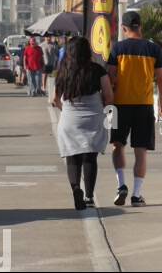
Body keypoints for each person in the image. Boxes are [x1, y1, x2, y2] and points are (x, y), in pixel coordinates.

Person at [107, 11, 162, 207]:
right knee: (141, 151)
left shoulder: (117, 48)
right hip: (144, 105)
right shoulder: (154, 49)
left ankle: (121, 185)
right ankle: (137, 195)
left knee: (116, 145)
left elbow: (110, 78)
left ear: (124, 28)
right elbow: (161, 80)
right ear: (140, 27)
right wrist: (161, 105)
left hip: (117, 106)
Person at [53, 37, 112, 210]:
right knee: (89, 157)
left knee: (72, 157)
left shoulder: (63, 71)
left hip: (69, 119)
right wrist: (107, 115)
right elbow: (109, 96)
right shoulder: (97, 70)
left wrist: (67, 113)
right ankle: (88, 197)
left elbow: (55, 99)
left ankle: (75, 188)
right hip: (93, 118)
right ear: (87, 51)